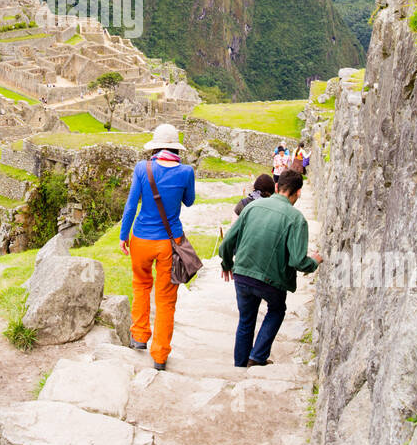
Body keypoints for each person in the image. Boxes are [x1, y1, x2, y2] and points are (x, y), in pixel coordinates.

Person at [218, 169, 320, 368]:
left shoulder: (252, 207)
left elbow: (227, 243)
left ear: (276, 187)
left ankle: (240, 365)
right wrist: (314, 261)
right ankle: (257, 357)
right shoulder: (296, 219)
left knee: (246, 319)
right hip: (271, 281)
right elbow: (299, 261)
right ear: (298, 192)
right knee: (277, 309)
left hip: (242, 274)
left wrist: (227, 264)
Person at [119, 123, 196, 371]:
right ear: (175, 147)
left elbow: (132, 205)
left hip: (141, 238)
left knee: (141, 286)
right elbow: (190, 201)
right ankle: (160, 355)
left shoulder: (143, 168)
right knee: (166, 300)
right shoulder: (186, 172)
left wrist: (124, 235)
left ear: (156, 146)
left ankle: (139, 337)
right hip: (168, 244)